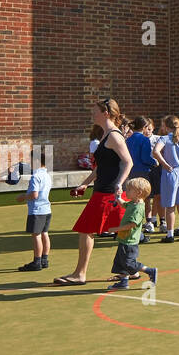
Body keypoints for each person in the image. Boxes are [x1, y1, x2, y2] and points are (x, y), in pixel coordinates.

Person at [54, 98, 133, 285]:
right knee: (125, 231)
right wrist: (85, 184)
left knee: (86, 230)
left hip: (109, 193)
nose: (92, 114)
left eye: (95, 111)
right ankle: (130, 269)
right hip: (103, 191)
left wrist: (120, 184)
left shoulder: (114, 136)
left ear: (106, 113)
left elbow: (128, 162)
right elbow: (101, 167)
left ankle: (80, 274)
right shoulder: (106, 134)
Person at [108, 177, 157, 291]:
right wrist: (118, 197)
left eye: (129, 190)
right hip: (124, 238)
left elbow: (132, 224)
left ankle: (150, 271)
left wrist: (116, 228)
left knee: (129, 263)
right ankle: (124, 282)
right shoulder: (133, 203)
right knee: (120, 262)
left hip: (130, 240)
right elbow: (124, 204)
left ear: (138, 193)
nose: (126, 191)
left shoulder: (138, 208)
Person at [17, 158, 53, 272]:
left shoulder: (35, 176)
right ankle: (44, 260)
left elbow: (34, 195)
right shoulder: (47, 175)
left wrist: (22, 197)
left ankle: (37, 261)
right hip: (46, 209)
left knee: (36, 235)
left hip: (37, 210)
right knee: (44, 234)